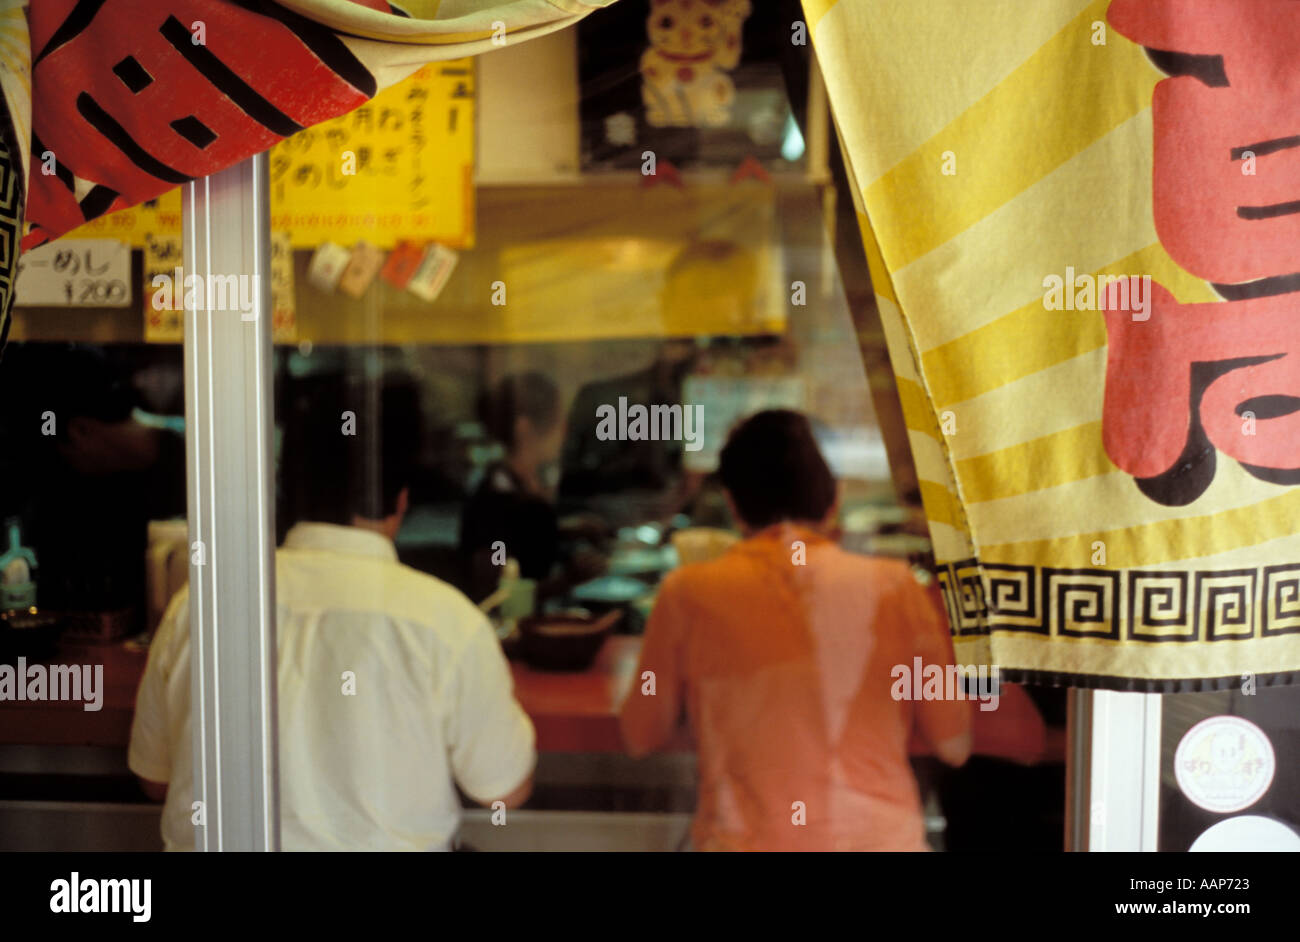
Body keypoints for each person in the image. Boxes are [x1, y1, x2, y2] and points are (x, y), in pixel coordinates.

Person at [128, 376, 536, 851]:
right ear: (401, 498)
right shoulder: (445, 622)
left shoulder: (199, 605)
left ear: (287, 490)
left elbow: (154, 780)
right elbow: (503, 791)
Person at [619, 409, 971, 851]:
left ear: (732, 505)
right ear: (834, 500)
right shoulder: (896, 587)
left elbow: (639, 736)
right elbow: (954, 744)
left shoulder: (687, 592)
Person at [460, 371, 606, 605]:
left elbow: (520, 540)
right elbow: (496, 592)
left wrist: (565, 531)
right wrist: (566, 580)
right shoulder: (495, 503)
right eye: (556, 421)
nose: (565, 431)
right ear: (524, 429)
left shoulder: (520, 486)